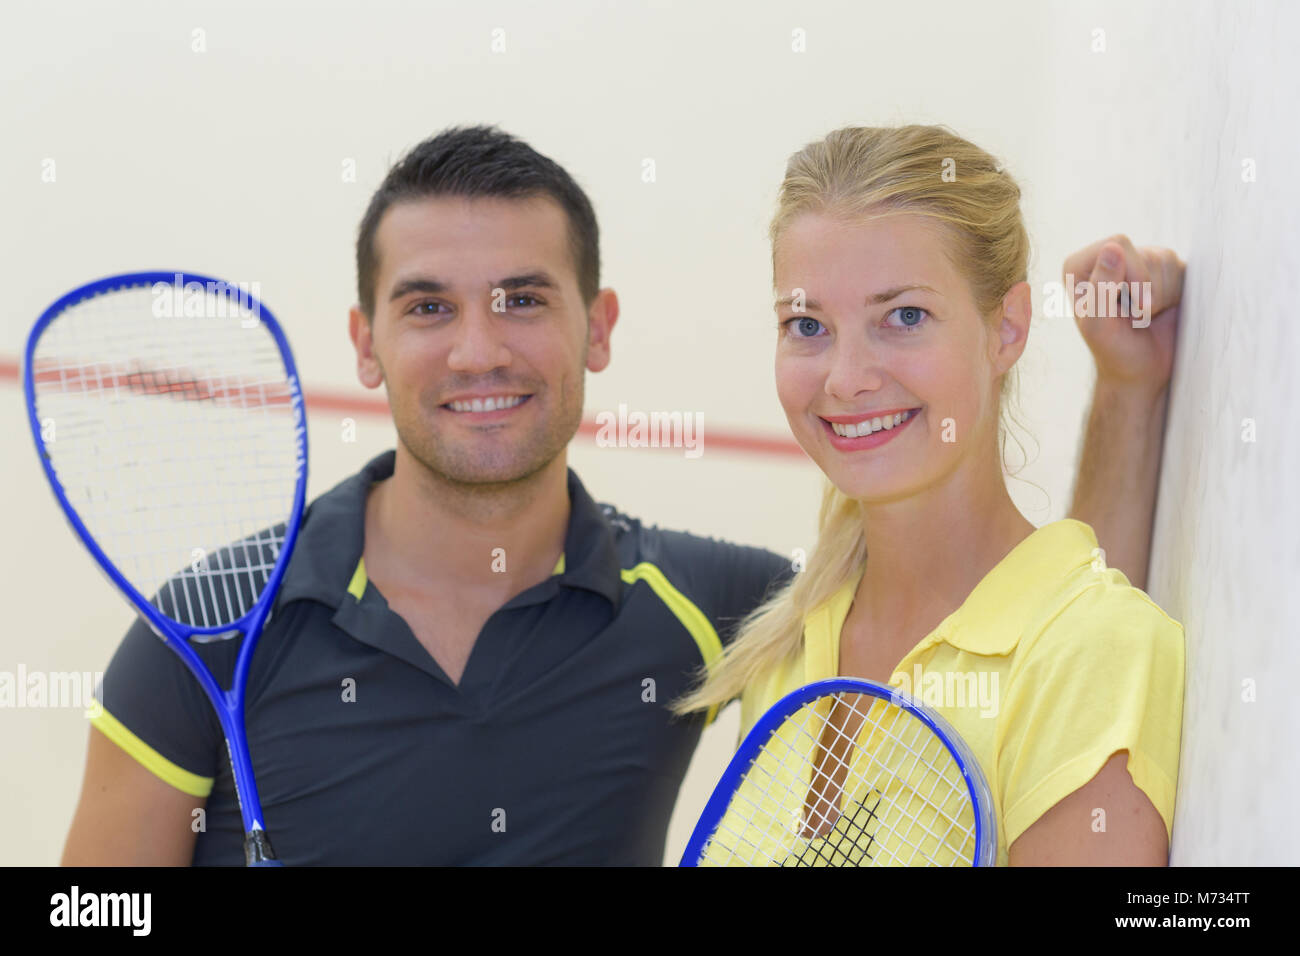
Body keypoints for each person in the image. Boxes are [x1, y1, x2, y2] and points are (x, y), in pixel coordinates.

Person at [62, 125, 1180, 865]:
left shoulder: (719, 614)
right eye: (426, 307)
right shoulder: (201, 628)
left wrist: (1129, 393)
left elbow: (1048, 635)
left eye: (521, 298)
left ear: (597, 328)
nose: (478, 350)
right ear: (365, 341)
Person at [670, 125, 1185, 867]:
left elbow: (1072, 647)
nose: (846, 377)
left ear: (1006, 328)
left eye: (904, 317)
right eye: (806, 325)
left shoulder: (1096, 646)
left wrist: (1128, 388)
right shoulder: (790, 648)